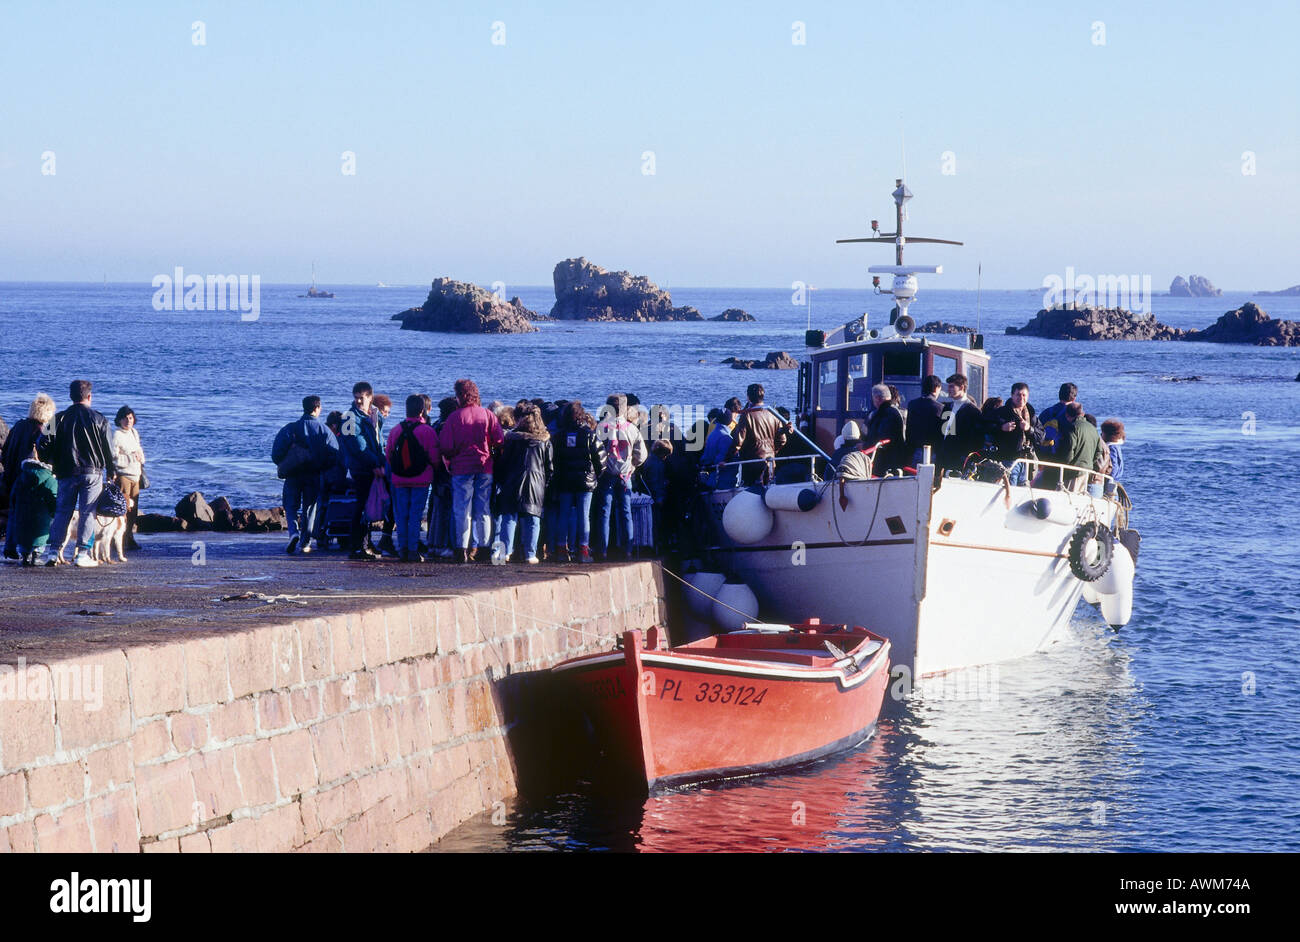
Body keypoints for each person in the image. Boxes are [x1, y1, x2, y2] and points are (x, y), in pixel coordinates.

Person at [44, 380, 117, 567]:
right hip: (92, 472)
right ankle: (83, 553)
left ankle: (53, 551)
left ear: (71, 396)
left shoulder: (57, 418)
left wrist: (51, 460)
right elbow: (109, 448)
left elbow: (42, 442)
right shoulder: (100, 419)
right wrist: (112, 470)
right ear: (89, 396)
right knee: (88, 512)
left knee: (62, 511)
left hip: (66, 471)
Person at [439, 378, 504, 563]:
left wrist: (452, 457)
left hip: (461, 468)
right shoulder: (488, 415)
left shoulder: (454, 417)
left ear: (460, 396)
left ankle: (462, 549)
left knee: (462, 509)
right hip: (484, 466)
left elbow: (445, 445)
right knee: (483, 508)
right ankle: (484, 548)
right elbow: (499, 441)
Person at [272, 395, 339, 555]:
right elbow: (335, 455)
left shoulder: (290, 428)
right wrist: (322, 467)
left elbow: (276, 454)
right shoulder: (325, 430)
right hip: (314, 475)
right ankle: (305, 543)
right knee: (310, 509)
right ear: (318, 408)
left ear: (303, 408)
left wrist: (286, 461)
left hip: (293, 474)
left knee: (290, 506)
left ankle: (293, 532)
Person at [493, 403, 553, 563]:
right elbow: (549, 467)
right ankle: (530, 553)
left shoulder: (512, 439)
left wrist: (501, 480)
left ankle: (505, 552)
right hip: (536, 483)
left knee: (509, 517)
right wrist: (545, 484)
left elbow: (503, 462)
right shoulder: (544, 440)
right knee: (533, 519)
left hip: (512, 481)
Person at [385, 394, 442, 562]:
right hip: (421, 479)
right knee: (416, 515)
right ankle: (413, 550)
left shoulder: (396, 429)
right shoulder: (428, 431)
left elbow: (388, 454)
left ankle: (402, 548)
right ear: (422, 410)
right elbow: (435, 457)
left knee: (401, 514)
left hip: (399, 479)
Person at [595, 393, 648, 560]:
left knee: (604, 512)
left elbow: (594, 452)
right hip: (625, 475)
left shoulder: (601, 428)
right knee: (625, 512)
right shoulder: (632, 429)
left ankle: (602, 550)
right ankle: (627, 550)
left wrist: (600, 468)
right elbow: (642, 454)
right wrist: (632, 465)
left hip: (606, 474)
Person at [3, 393, 56, 560]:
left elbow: (6, 450)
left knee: (14, 510)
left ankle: (10, 546)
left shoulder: (19, 425)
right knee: (36, 514)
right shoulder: (48, 428)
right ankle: (34, 548)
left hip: (14, 475)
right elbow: (52, 453)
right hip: (37, 476)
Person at [340, 382, 387, 560]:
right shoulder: (348, 417)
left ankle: (367, 543)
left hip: (373, 466)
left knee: (370, 505)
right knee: (361, 506)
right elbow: (356, 446)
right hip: (360, 468)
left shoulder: (375, 414)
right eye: (356, 397)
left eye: (362, 397)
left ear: (370, 397)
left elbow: (379, 441)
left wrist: (382, 461)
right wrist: (376, 464)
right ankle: (357, 546)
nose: (359, 401)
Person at [552, 400, 602, 563]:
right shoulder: (589, 434)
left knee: (564, 514)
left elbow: (554, 460)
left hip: (565, 480)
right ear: (581, 415)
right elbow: (600, 459)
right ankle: (583, 551)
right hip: (585, 481)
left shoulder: (559, 436)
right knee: (583, 515)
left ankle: (561, 550)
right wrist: (596, 476)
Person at [728, 383, 789, 485]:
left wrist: (727, 458)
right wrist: (772, 450)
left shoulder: (747, 415)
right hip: (770, 461)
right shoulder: (773, 413)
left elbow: (738, 441)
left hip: (752, 462)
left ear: (748, 397)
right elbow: (782, 440)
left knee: (751, 493)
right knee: (768, 490)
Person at [12, 443, 57, 566]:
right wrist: (54, 512)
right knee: (40, 536)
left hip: (22, 517)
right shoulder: (49, 479)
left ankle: (24, 555)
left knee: (23, 536)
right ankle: (36, 554)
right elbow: (53, 499)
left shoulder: (21, 477)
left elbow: (13, 497)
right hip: (41, 519)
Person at [990, 383, 1043, 486]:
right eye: (1018, 395)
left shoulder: (1032, 416)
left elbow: (1041, 436)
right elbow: (986, 428)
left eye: (1024, 395)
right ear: (1012, 395)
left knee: (1023, 489)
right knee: (1009, 487)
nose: (1021, 398)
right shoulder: (1002, 413)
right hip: (1008, 460)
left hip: (1026, 461)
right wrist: (1002, 428)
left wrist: (1029, 429)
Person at [111, 406, 147, 551]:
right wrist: (130, 458)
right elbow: (113, 457)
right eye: (125, 418)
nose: (128, 421)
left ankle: (129, 537)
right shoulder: (116, 435)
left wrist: (141, 458)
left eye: (130, 418)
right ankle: (116, 539)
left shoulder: (134, 432)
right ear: (119, 420)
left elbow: (139, 451)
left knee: (133, 510)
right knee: (122, 509)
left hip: (136, 476)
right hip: (124, 476)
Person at [936, 374, 987, 474]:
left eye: (951, 386)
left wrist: (966, 458)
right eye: (948, 386)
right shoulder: (947, 407)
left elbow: (977, 440)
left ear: (962, 387)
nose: (948, 389)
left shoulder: (974, 412)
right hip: (942, 457)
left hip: (959, 460)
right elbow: (943, 432)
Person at [313, 410, 348, 550]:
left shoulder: (321, 435)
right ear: (336, 425)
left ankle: (321, 535)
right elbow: (343, 461)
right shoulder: (337, 438)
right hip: (335, 478)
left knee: (323, 506)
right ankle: (340, 535)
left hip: (322, 477)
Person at [1057, 402, 1107, 494]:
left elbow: (1069, 450)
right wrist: (1089, 463)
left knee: (1069, 499)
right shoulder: (1093, 429)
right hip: (1086, 472)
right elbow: (1099, 450)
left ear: (1067, 415)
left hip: (1073, 473)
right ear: (1082, 413)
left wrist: (1067, 465)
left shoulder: (1072, 428)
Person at [864, 384, 908, 474]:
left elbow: (881, 437)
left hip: (884, 462)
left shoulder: (881, 414)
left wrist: (865, 446)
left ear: (877, 398)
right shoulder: (898, 412)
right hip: (897, 459)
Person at [905, 375, 946, 467]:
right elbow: (943, 435)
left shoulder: (912, 404)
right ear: (936, 388)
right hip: (933, 451)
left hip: (914, 450)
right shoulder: (941, 408)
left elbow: (909, 429)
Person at [699, 407, 737, 489]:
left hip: (710, 479)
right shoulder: (726, 438)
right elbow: (720, 461)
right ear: (730, 421)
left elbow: (705, 458)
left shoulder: (712, 435)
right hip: (722, 482)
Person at [1037, 382, 1077, 458]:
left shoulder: (1045, 413)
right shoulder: (1072, 415)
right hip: (1061, 456)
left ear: (1059, 395)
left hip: (1043, 454)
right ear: (1074, 399)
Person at [1101, 419, 1125, 496]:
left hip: (1111, 482)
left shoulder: (1111, 447)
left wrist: (1109, 478)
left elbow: (1114, 465)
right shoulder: (1117, 446)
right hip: (1115, 480)